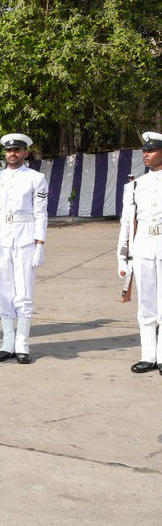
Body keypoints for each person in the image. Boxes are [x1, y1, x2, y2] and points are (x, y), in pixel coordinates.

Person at [0, 133, 49, 364]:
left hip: (25, 240)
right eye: (9, 151)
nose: (13, 154)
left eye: (17, 150)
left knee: (25, 294)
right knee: (5, 293)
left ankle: (23, 345)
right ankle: (7, 343)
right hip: (2, 241)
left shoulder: (36, 178)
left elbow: (40, 213)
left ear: (25, 153)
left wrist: (39, 245)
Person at [117, 132, 162, 374]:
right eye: (144, 150)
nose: (146, 154)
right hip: (143, 246)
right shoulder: (135, 186)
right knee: (146, 304)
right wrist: (122, 256)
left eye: (152, 150)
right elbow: (127, 222)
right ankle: (148, 355)